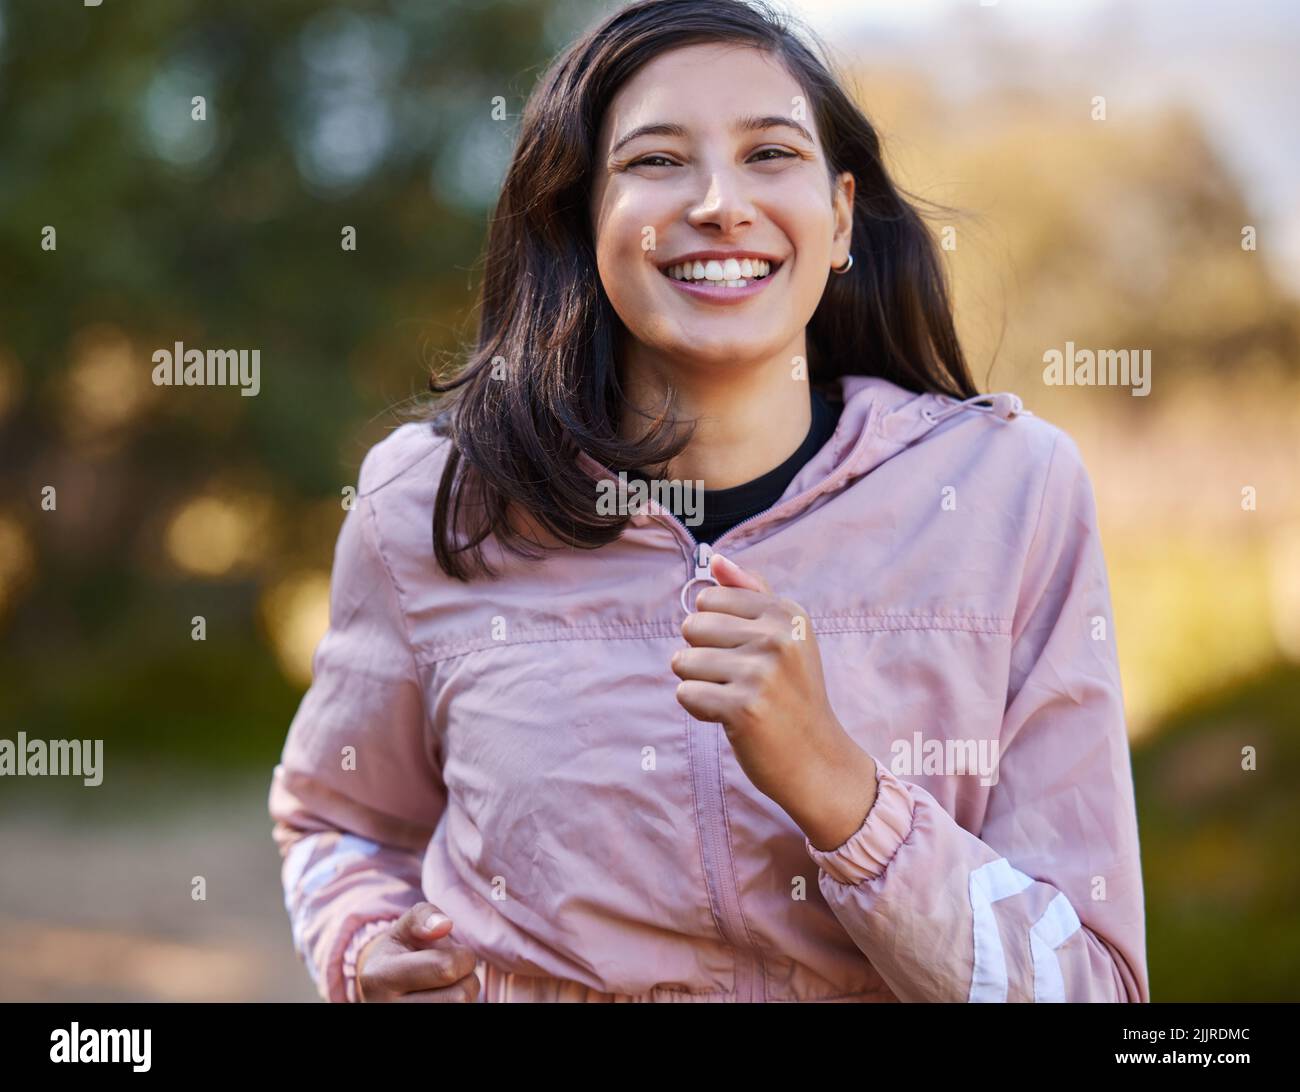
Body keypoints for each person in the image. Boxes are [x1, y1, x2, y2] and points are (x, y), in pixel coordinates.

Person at [268, 0, 1149, 1003]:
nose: (720, 203)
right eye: (654, 161)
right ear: (577, 219)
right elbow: (339, 822)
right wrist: (362, 948)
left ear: (842, 216)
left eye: (769, 153)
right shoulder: (427, 503)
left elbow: (1094, 990)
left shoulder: (1011, 492)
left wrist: (835, 787)